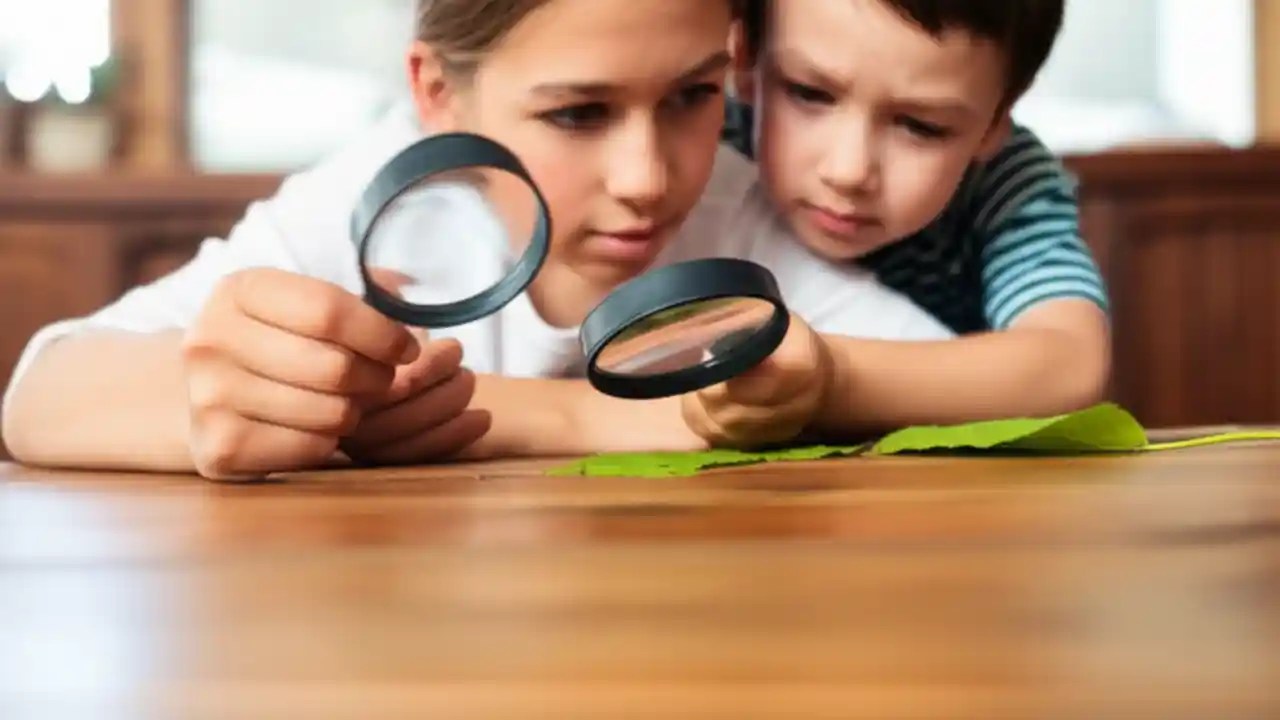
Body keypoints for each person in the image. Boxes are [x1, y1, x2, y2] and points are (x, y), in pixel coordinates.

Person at [1, 0, 951, 480]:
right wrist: (218, 401)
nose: (649, 178)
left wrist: (549, 417)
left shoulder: (746, 212)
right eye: (580, 112)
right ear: (436, 94)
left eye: (695, 97)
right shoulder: (370, 198)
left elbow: (950, 391)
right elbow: (40, 393)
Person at [685, 0, 1113, 446]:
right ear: (746, 61)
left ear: (994, 124)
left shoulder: (1004, 186)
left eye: (920, 126)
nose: (848, 171)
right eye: (809, 93)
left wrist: (832, 378)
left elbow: (1070, 364)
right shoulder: (707, 143)